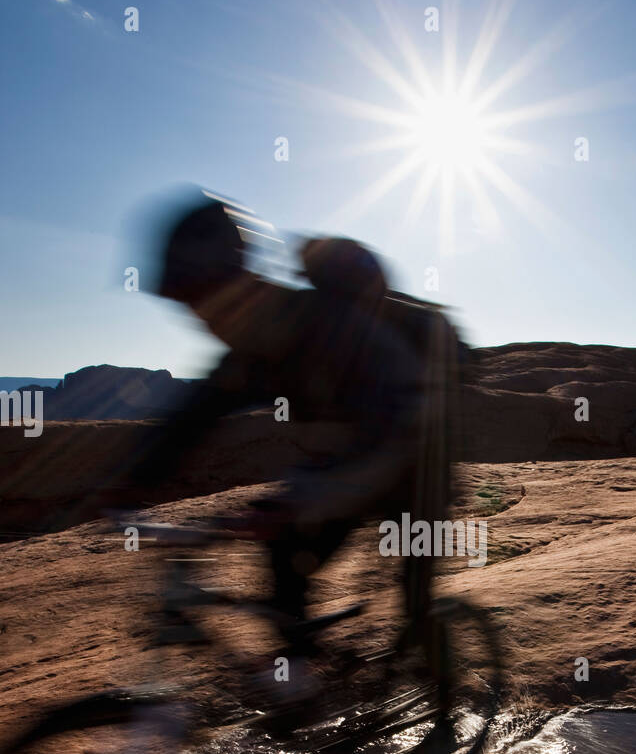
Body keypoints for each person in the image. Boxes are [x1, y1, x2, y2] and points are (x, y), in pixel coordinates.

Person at [122, 191, 460, 721]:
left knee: (415, 603)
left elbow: (400, 425)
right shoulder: (251, 348)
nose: (196, 316)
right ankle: (304, 688)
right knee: (283, 556)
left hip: (418, 468)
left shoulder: (328, 326)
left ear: (229, 283)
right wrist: (123, 486)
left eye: (196, 297)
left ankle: (446, 707)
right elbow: (191, 419)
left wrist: (307, 499)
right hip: (355, 465)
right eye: (184, 302)